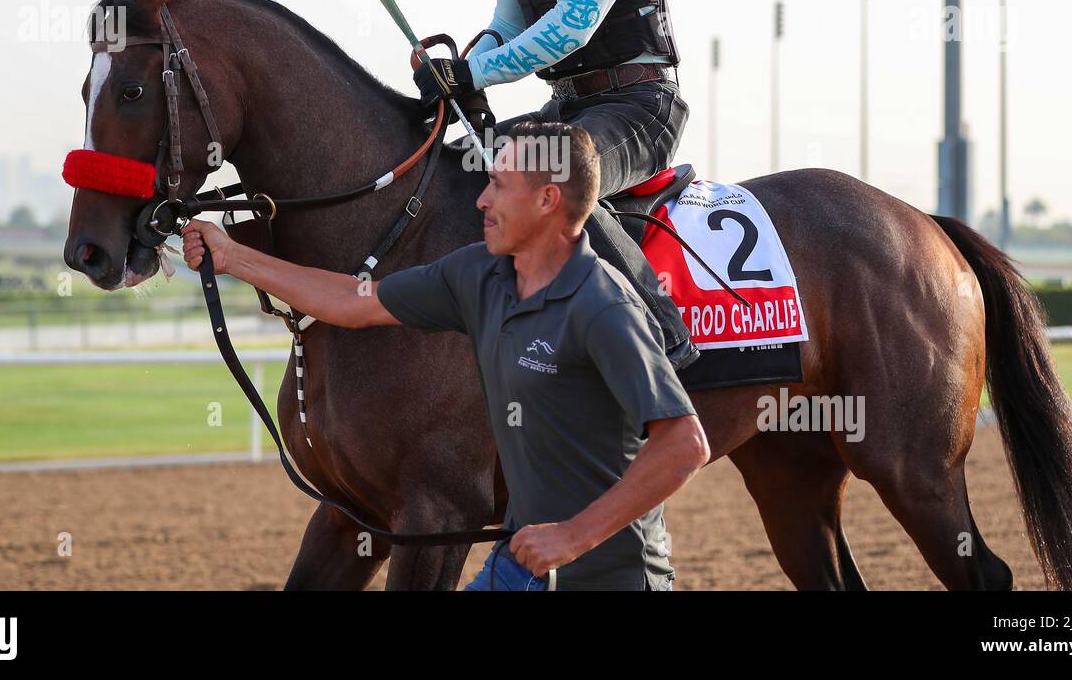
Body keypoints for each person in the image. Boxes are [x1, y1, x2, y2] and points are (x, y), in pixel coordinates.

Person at [179, 121, 709, 590]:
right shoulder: (478, 273)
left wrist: (574, 535)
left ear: (548, 200)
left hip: (609, 578)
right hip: (519, 568)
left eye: (498, 187)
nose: (481, 200)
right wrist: (233, 256)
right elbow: (352, 301)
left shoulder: (604, 308)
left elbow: (684, 445)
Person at [410, 0, 700, 369]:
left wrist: (475, 74)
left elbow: (570, 28)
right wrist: (457, 70)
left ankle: (666, 339)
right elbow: (508, 27)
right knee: (461, 167)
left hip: (641, 107)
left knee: (555, 176)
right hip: (569, 108)